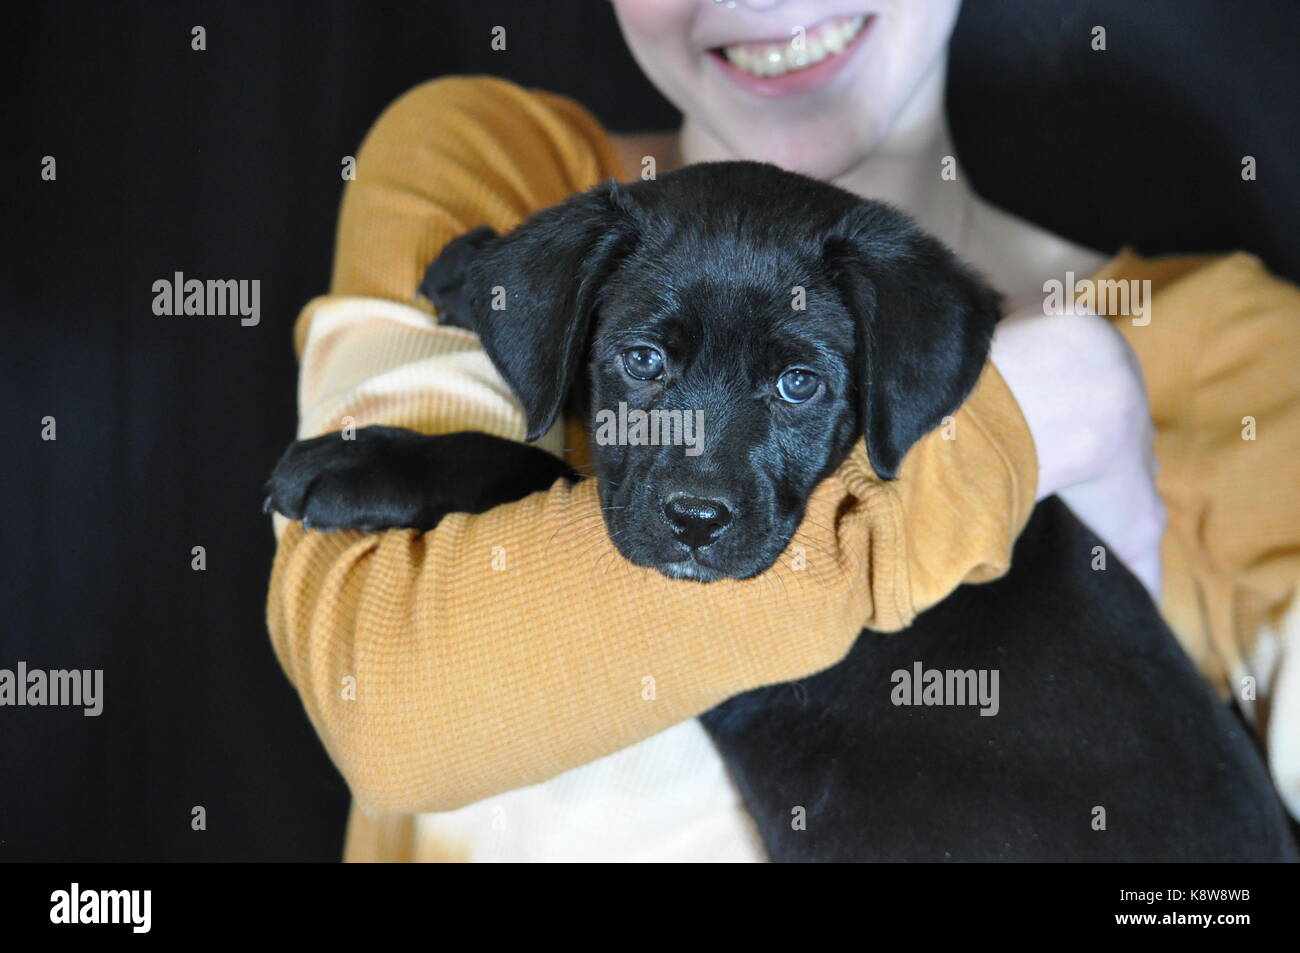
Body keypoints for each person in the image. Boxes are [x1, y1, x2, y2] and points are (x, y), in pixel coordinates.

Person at [266, 0, 1300, 860]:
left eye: (800, 383)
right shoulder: (501, 165)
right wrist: (1008, 436)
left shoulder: (1237, 356)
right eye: (642, 361)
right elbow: (391, 698)